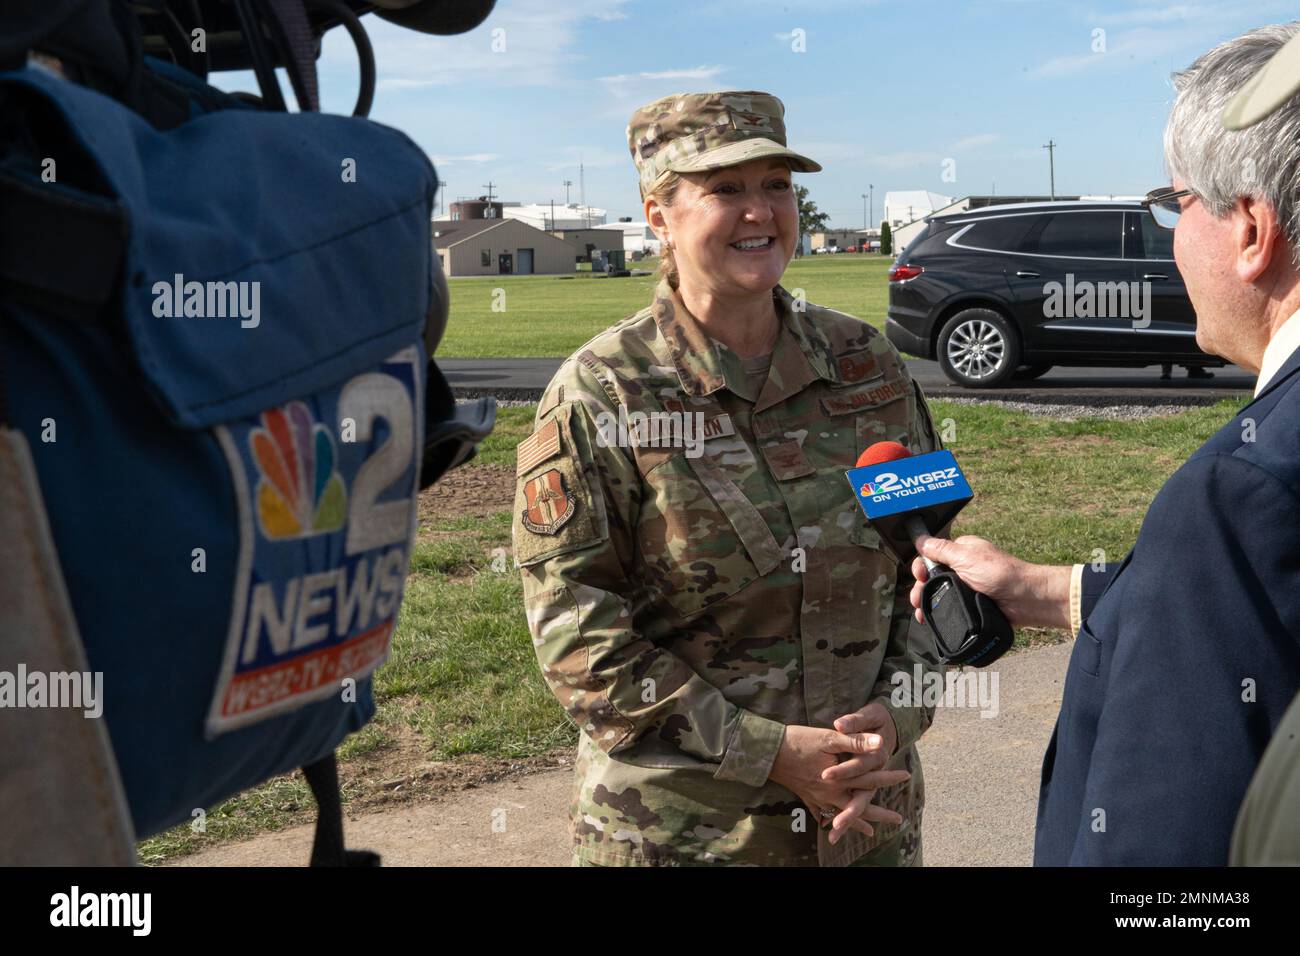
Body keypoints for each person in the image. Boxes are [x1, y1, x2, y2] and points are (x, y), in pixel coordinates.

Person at [513, 90, 945, 866]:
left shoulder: (866, 367)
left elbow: (936, 564)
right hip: (693, 835)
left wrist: (897, 714)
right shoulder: (604, 392)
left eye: (776, 185)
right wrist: (769, 752)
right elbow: (580, 640)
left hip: (868, 821)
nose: (761, 212)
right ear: (659, 216)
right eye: (726, 189)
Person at [907, 23, 1300, 866]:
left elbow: (1164, 858)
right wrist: (1049, 590)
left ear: (1253, 232)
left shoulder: (1242, 491)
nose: (1169, 236)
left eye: (1178, 203)